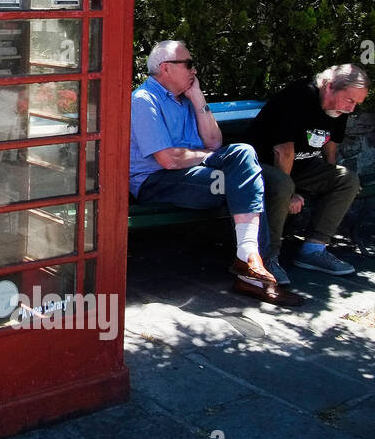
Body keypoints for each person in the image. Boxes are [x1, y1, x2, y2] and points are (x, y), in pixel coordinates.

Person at [129, 40, 304, 307]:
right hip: (157, 182)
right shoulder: (144, 100)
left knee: (245, 161)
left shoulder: (185, 99)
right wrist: (211, 158)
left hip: (193, 175)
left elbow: (214, 142)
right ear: (165, 68)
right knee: (246, 179)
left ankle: (251, 260)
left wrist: (198, 98)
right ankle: (254, 265)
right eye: (188, 64)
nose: (194, 70)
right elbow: (168, 159)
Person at [249, 64, 368, 277]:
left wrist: (329, 178)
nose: (351, 109)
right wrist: (290, 192)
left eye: (357, 103)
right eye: (350, 100)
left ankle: (314, 250)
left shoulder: (338, 107)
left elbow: (330, 144)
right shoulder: (300, 97)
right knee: (282, 187)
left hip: (301, 167)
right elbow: (283, 151)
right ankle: (267, 259)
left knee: (347, 180)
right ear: (330, 87)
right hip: (262, 165)